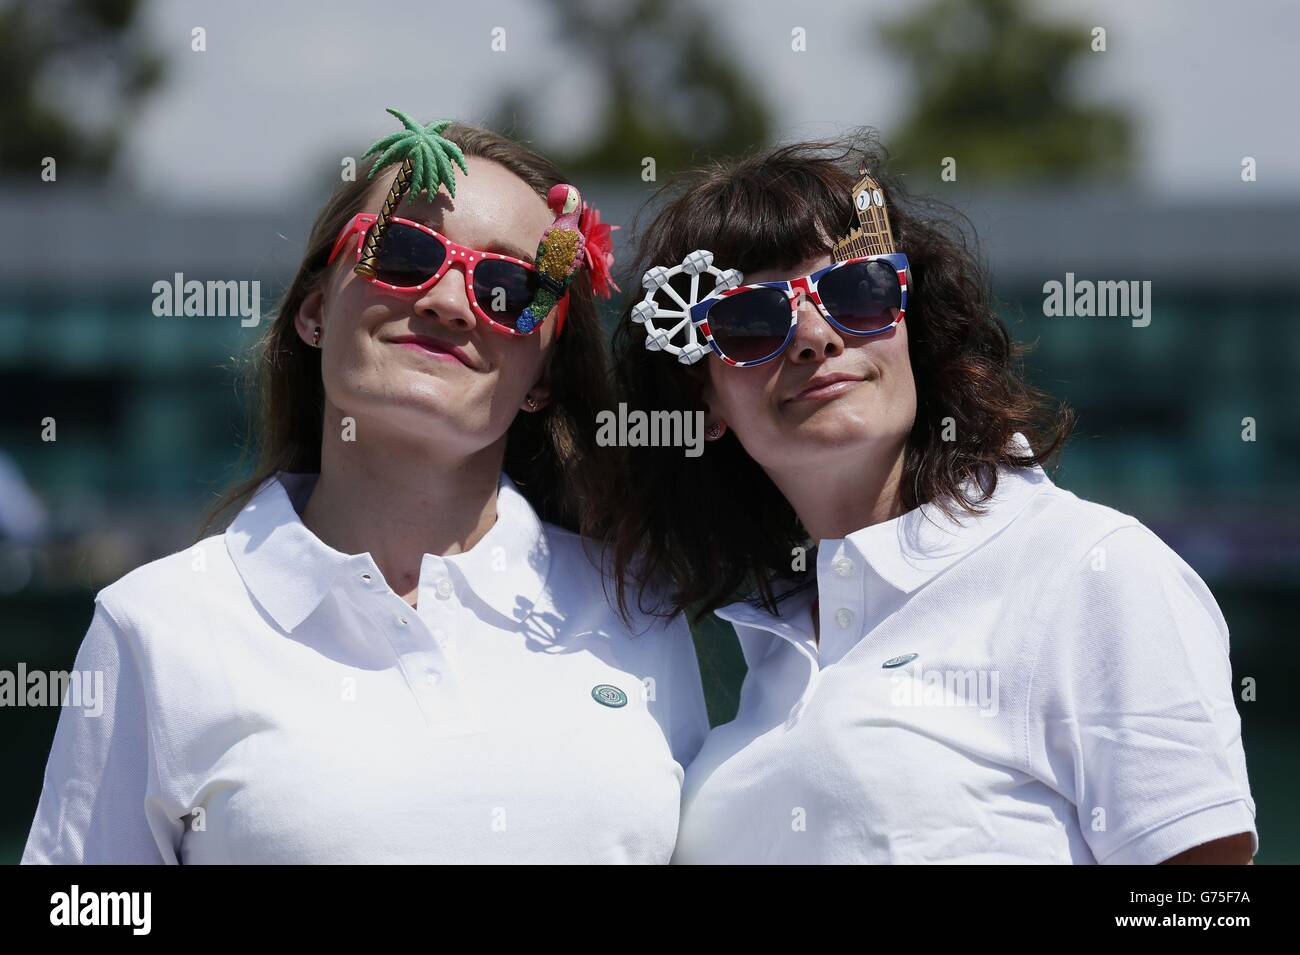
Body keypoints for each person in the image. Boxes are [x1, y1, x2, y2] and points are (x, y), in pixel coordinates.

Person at [22, 118, 708, 864]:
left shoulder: (640, 611)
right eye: (404, 251)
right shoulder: (158, 627)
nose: (449, 302)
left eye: (509, 287)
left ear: (543, 374)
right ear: (315, 311)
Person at [610, 134, 1257, 864]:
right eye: (753, 321)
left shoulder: (1088, 567)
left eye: (857, 292)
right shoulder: (764, 647)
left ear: (910, 325)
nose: (815, 338)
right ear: (706, 399)